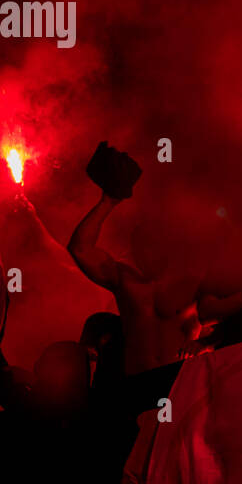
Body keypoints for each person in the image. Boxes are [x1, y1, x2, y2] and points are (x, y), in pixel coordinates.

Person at [67, 144, 202, 376]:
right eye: (143, 247)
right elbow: (80, 249)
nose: (149, 253)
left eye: (154, 245)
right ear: (136, 250)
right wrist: (107, 202)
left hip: (180, 379)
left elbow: (197, 318)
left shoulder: (189, 280)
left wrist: (195, 341)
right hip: (138, 380)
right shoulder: (126, 281)